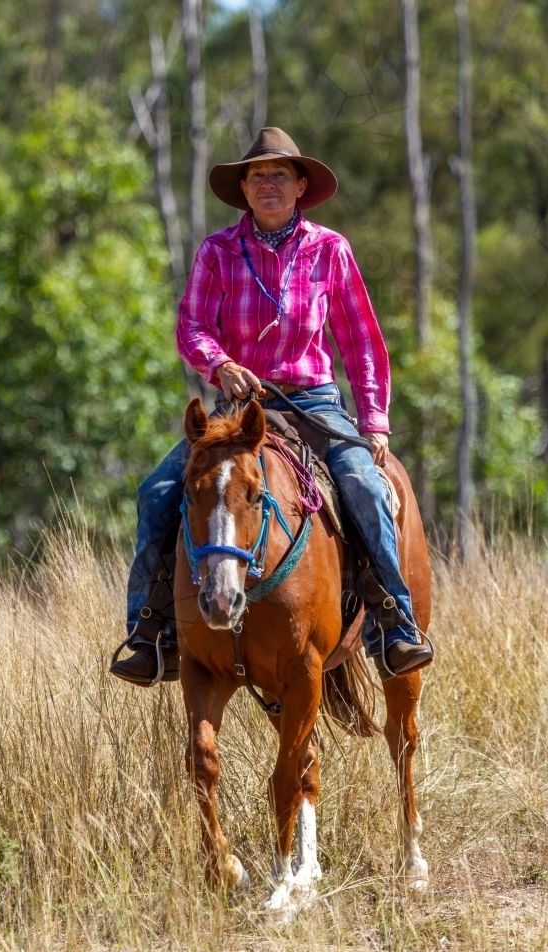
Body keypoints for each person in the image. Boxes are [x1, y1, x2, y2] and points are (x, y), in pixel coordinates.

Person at [111, 127, 432, 686]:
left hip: (312, 403)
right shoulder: (217, 251)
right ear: (244, 188)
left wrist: (374, 422)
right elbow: (191, 327)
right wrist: (218, 364)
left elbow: (361, 342)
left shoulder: (330, 249)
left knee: (363, 484)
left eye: (279, 174)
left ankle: (392, 622)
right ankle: (150, 630)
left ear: (300, 185)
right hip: (239, 407)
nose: (267, 184)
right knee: (158, 492)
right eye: (257, 175)